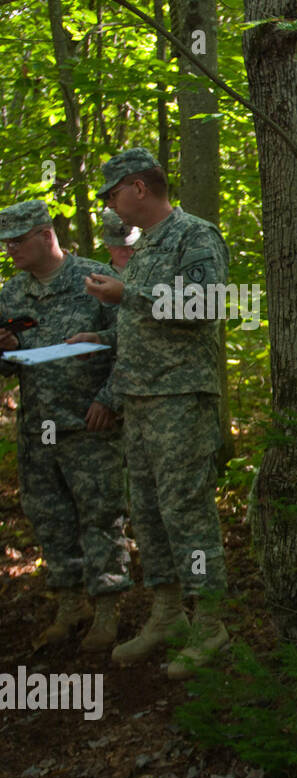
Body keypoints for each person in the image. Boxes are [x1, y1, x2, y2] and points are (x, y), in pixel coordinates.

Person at [77, 148, 230, 678]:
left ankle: (209, 621)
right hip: (140, 402)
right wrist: (98, 334)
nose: (111, 205)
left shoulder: (195, 235)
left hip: (181, 399)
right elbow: (140, 325)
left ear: (139, 187)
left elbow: (207, 305)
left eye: (113, 193)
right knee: (148, 512)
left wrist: (129, 294)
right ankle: (168, 614)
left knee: (186, 511)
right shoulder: (142, 250)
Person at [0, 199, 131, 649]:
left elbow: (130, 343)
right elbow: (8, 363)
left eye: (18, 240)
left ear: (45, 235)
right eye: (6, 243)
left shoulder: (95, 280)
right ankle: (69, 604)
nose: (10, 249)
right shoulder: (12, 295)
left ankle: (108, 609)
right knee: (49, 518)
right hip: (40, 427)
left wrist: (110, 399)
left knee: (99, 515)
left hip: (91, 425)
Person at [100, 209, 139, 275]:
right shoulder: (98, 278)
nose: (124, 252)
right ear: (107, 245)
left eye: (130, 247)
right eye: (117, 247)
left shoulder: (155, 272)